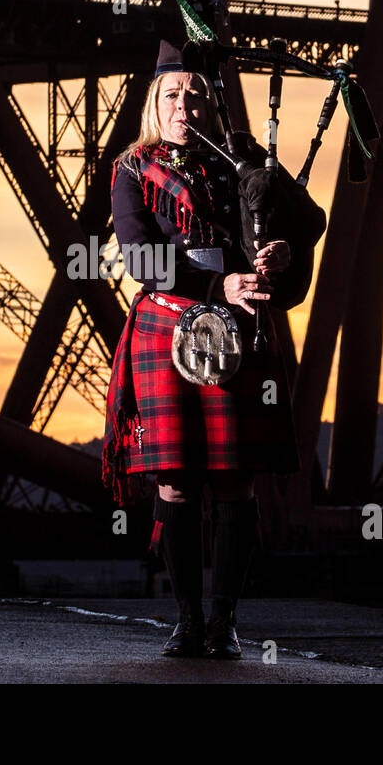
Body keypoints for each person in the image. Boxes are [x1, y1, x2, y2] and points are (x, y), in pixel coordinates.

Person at [101, 39, 320, 659]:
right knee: (175, 483)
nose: (184, 106)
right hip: (167, 330)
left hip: (238, 327)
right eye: (172, 94)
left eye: (195, 95)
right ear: (156, 101)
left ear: (211, 104)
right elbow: (141, 257)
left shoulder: (243, 160)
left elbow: (307, 224)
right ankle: (186, 621)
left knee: (232, 481)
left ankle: (223, 624)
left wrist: (279, 255)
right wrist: (214, 281)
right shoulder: (132, 168)